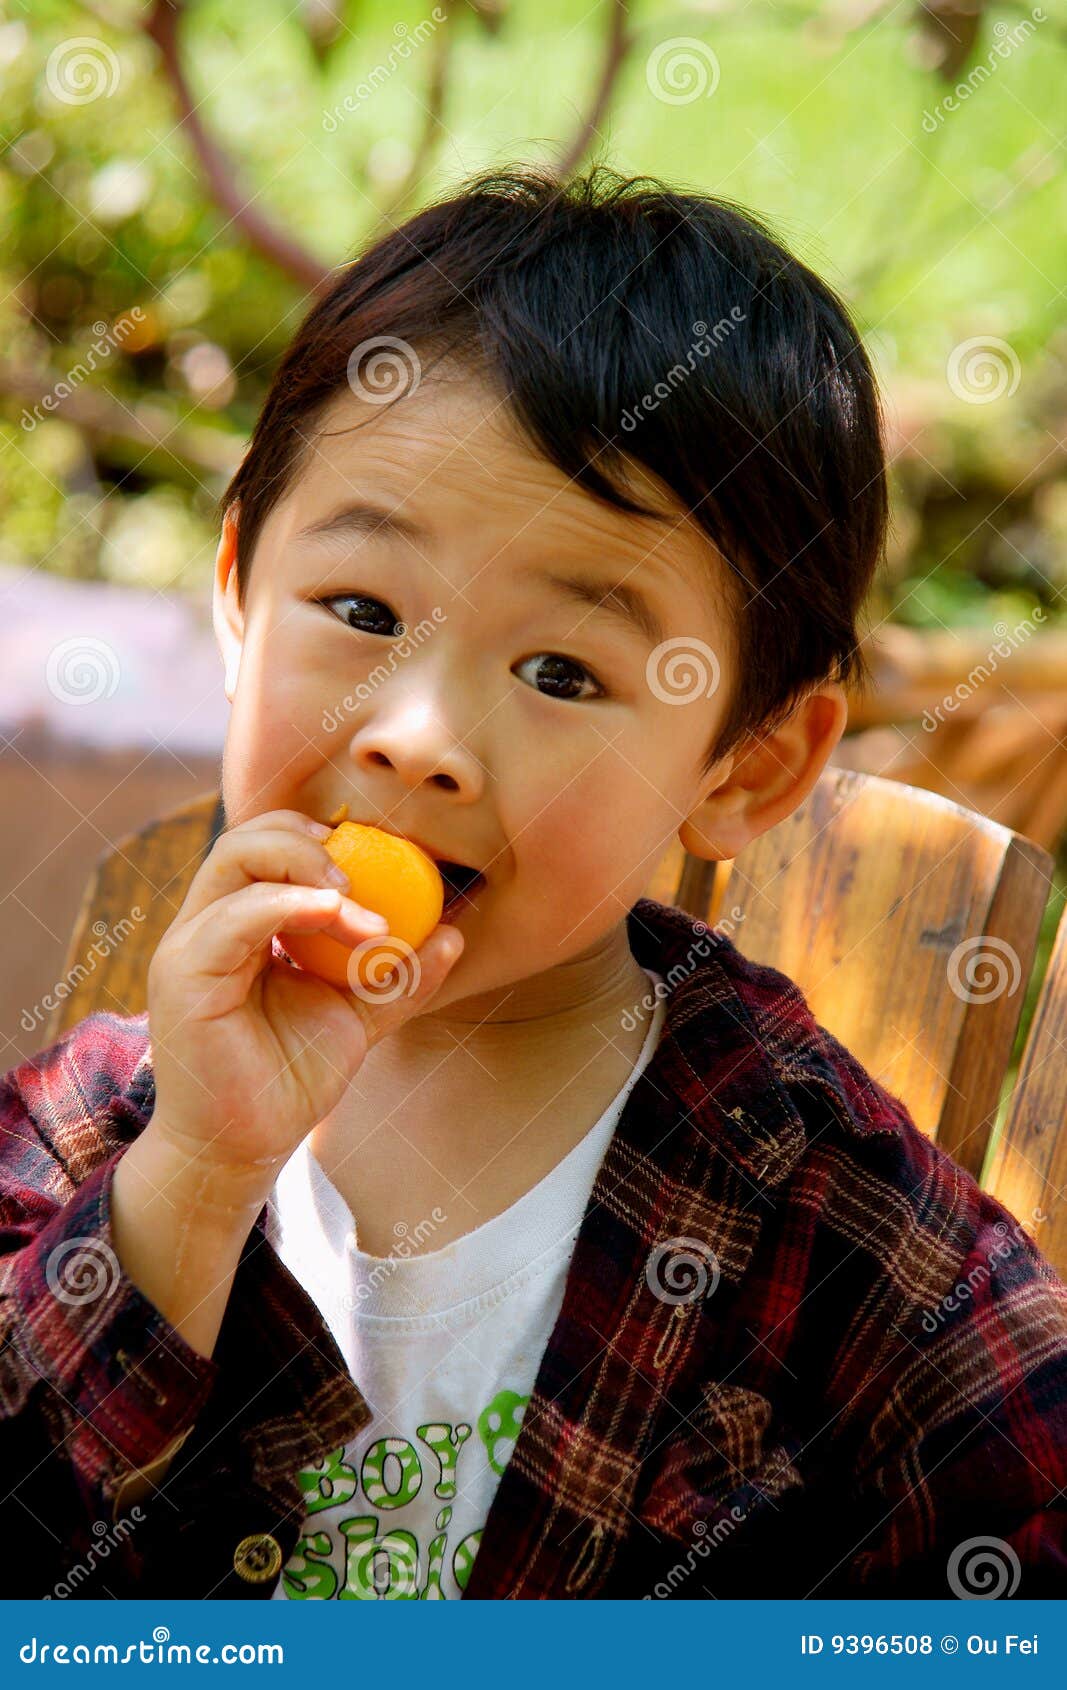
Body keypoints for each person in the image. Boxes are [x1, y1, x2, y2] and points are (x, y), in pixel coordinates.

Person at [1, 164, 1064, 1602]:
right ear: (241, 593)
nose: (420, 736)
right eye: (361, 609)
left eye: (562, 672)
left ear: (746, 764)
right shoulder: (93, 1133)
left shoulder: (837, 1232)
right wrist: (190, 1183)